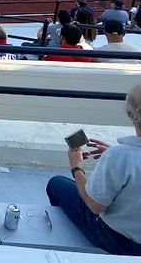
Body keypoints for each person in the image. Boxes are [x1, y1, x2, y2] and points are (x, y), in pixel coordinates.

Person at [45, 83, 141, 255]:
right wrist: (118, 157)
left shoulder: (119, 156)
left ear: (129, 113)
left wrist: (76, 167)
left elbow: (95, 206)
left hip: (119, 241)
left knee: (56, 184)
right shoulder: (122, 156)